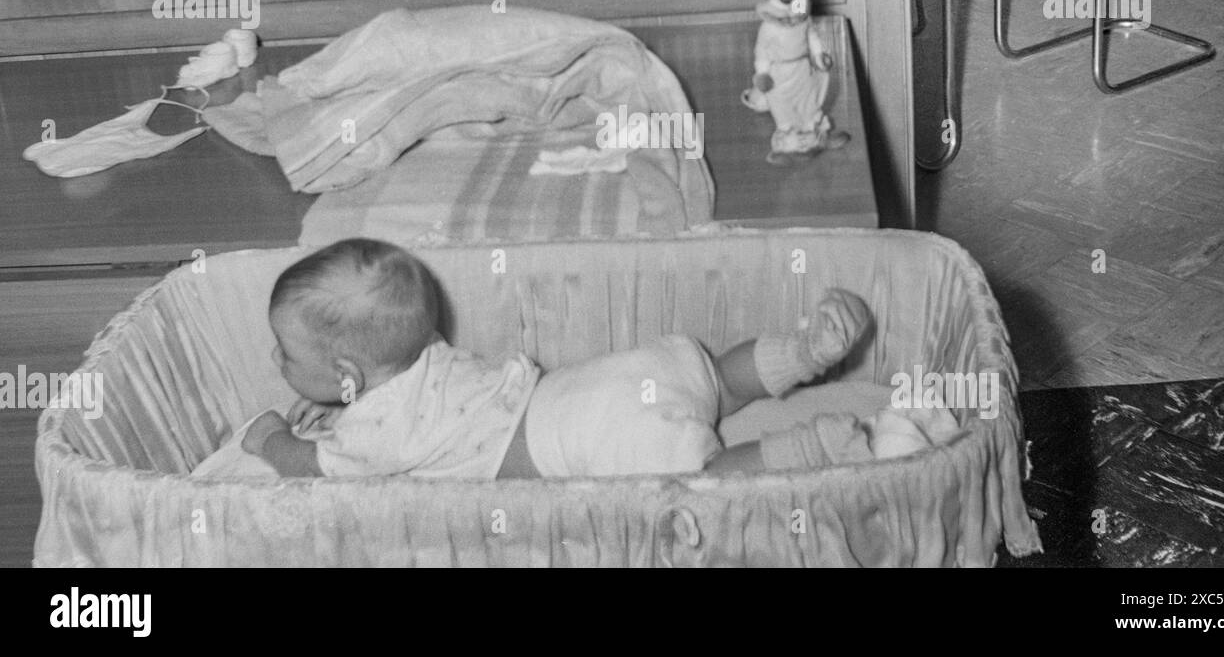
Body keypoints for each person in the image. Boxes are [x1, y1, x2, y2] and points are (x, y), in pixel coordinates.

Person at [242, 238, 876, 479]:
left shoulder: (377, 429)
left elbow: (306, 466)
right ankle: (804, 350)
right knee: (718, 383)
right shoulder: (424, 354)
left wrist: (269, 439)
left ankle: (812, 450)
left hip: (596, 440)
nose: (276, 360)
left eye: (286, 355)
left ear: (350, 378)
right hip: (620, 377)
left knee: (707, 480)